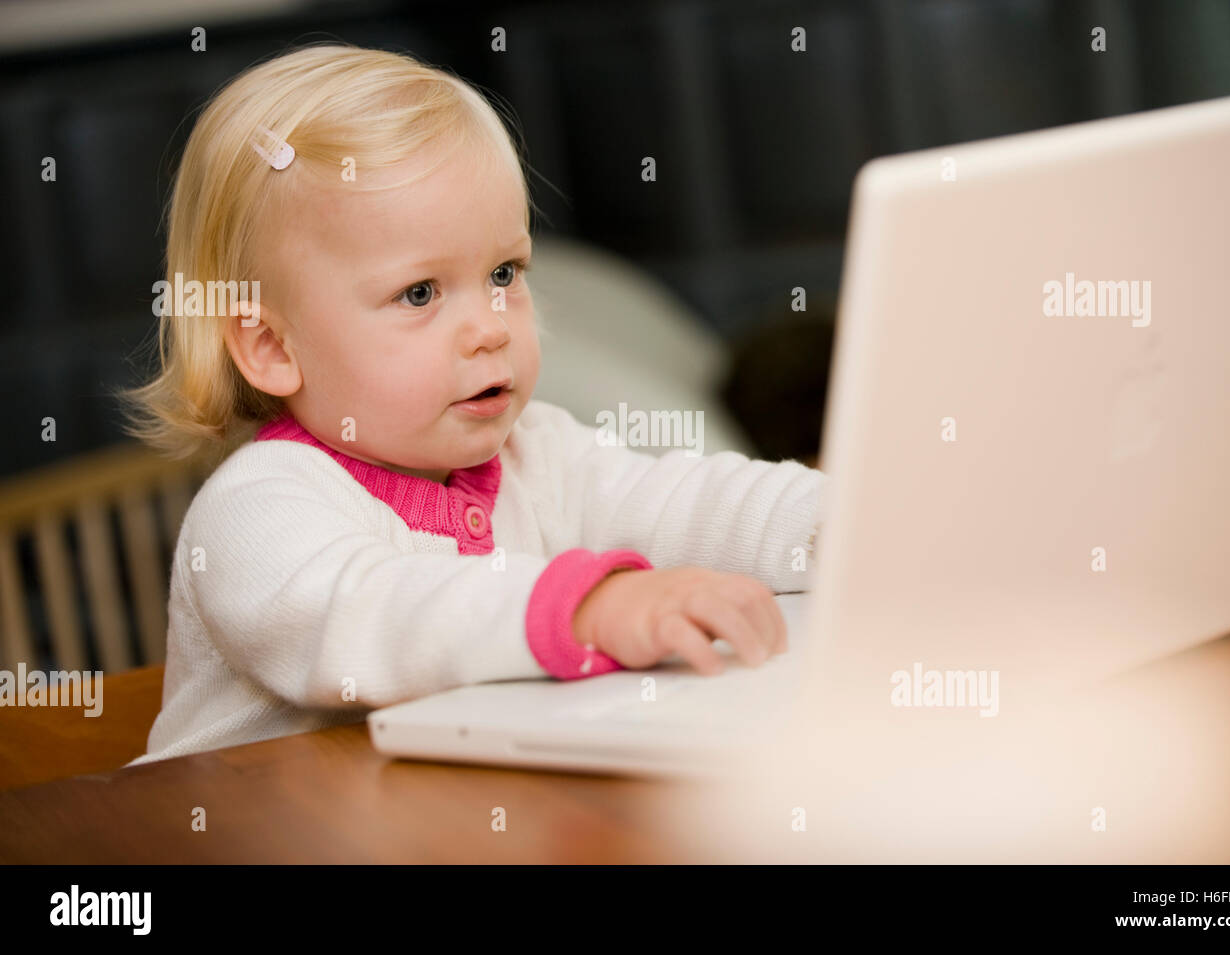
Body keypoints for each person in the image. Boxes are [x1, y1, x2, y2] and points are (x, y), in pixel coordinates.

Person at [119, 44, 824, 764]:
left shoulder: (541, 451)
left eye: (503, 273)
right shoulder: (257, 508)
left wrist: (850, 517)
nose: (491, 326)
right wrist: (585, 609)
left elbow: (689, 501)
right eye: (419, 293)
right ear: (271, 345)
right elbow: (381, 612)